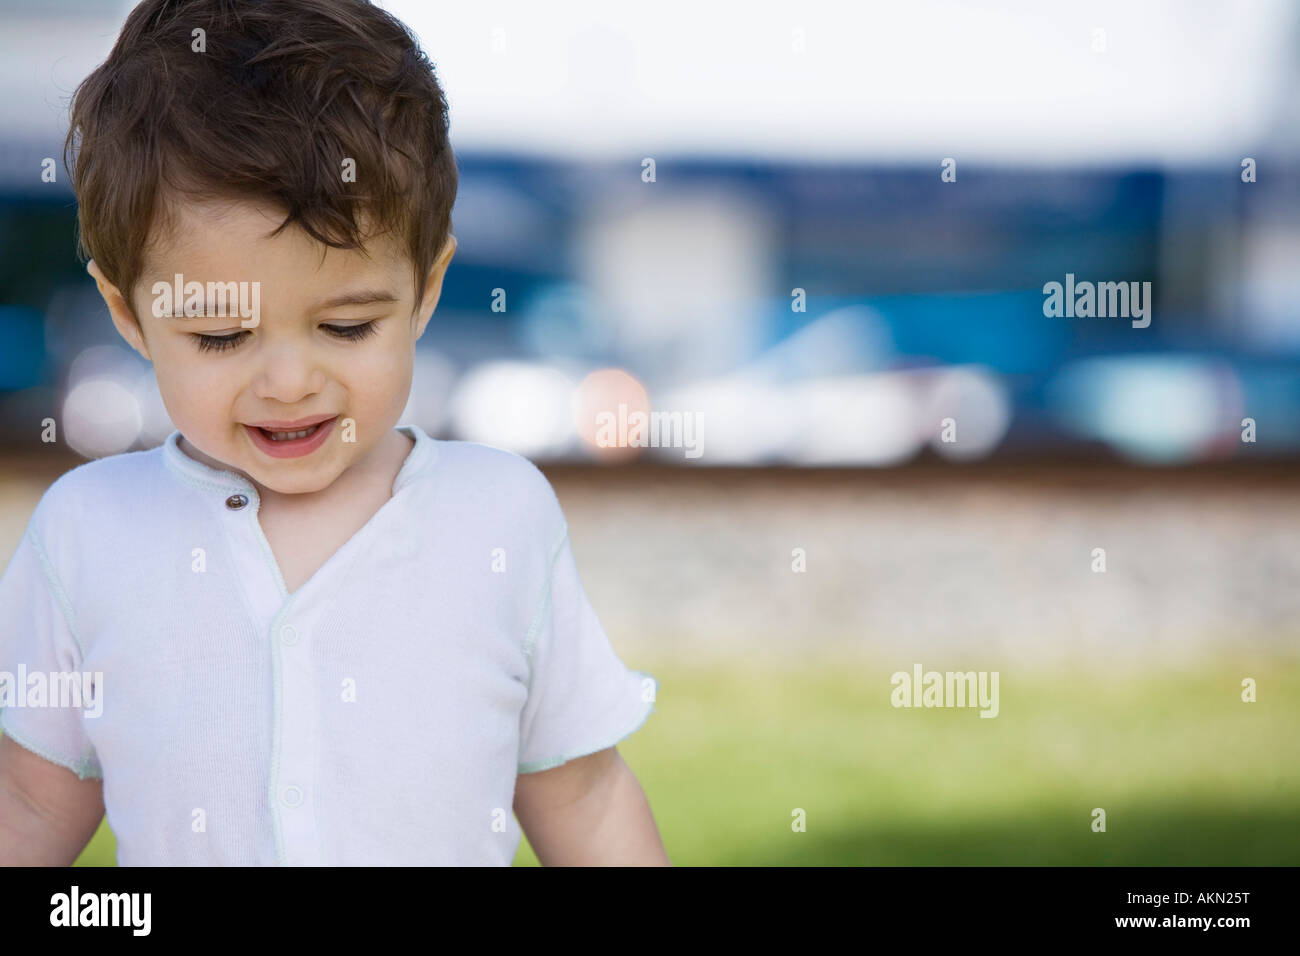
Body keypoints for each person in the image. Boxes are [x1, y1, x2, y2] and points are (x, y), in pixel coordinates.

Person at [0, 0, 667, 866]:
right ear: (129, 315)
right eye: (221, 335)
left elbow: (584, 796)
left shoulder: (499, 519)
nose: (289, 383)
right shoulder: (88, 534)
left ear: (426, 289)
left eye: (347, 327)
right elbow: (29, 802)